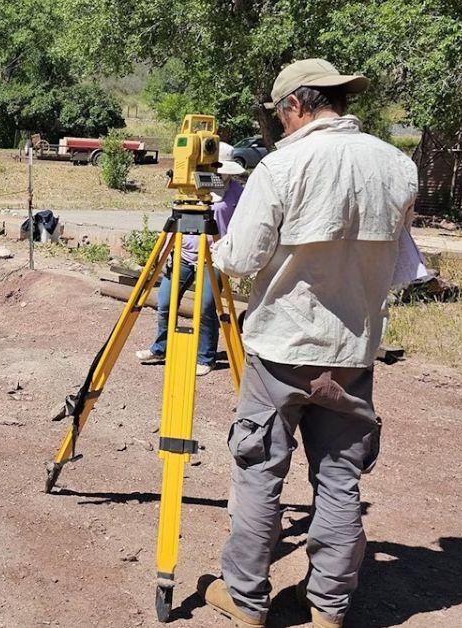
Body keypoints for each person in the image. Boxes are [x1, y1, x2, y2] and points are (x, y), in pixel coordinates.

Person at [202, 59, 418, 628]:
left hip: (282, 348)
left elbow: (240, 259)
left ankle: (245, 598)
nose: (281, 125)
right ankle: (328, 606)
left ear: (295, 105)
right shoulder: (398, 166)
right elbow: (401, 261)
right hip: (352, 353)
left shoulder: (282, 165)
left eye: (281, 115)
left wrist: (216, 246)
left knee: (259, 470)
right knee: (340, 478)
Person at [134, 142, 245, 376]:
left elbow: (242, 225)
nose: (218, 176)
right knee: (165, 303)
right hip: (184, 255)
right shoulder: (191, 187)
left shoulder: (237, 192)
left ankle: (206, 357)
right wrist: (164, 250)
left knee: (205, 308)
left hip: (214, 258)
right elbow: (177, 217)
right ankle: (161, 348)